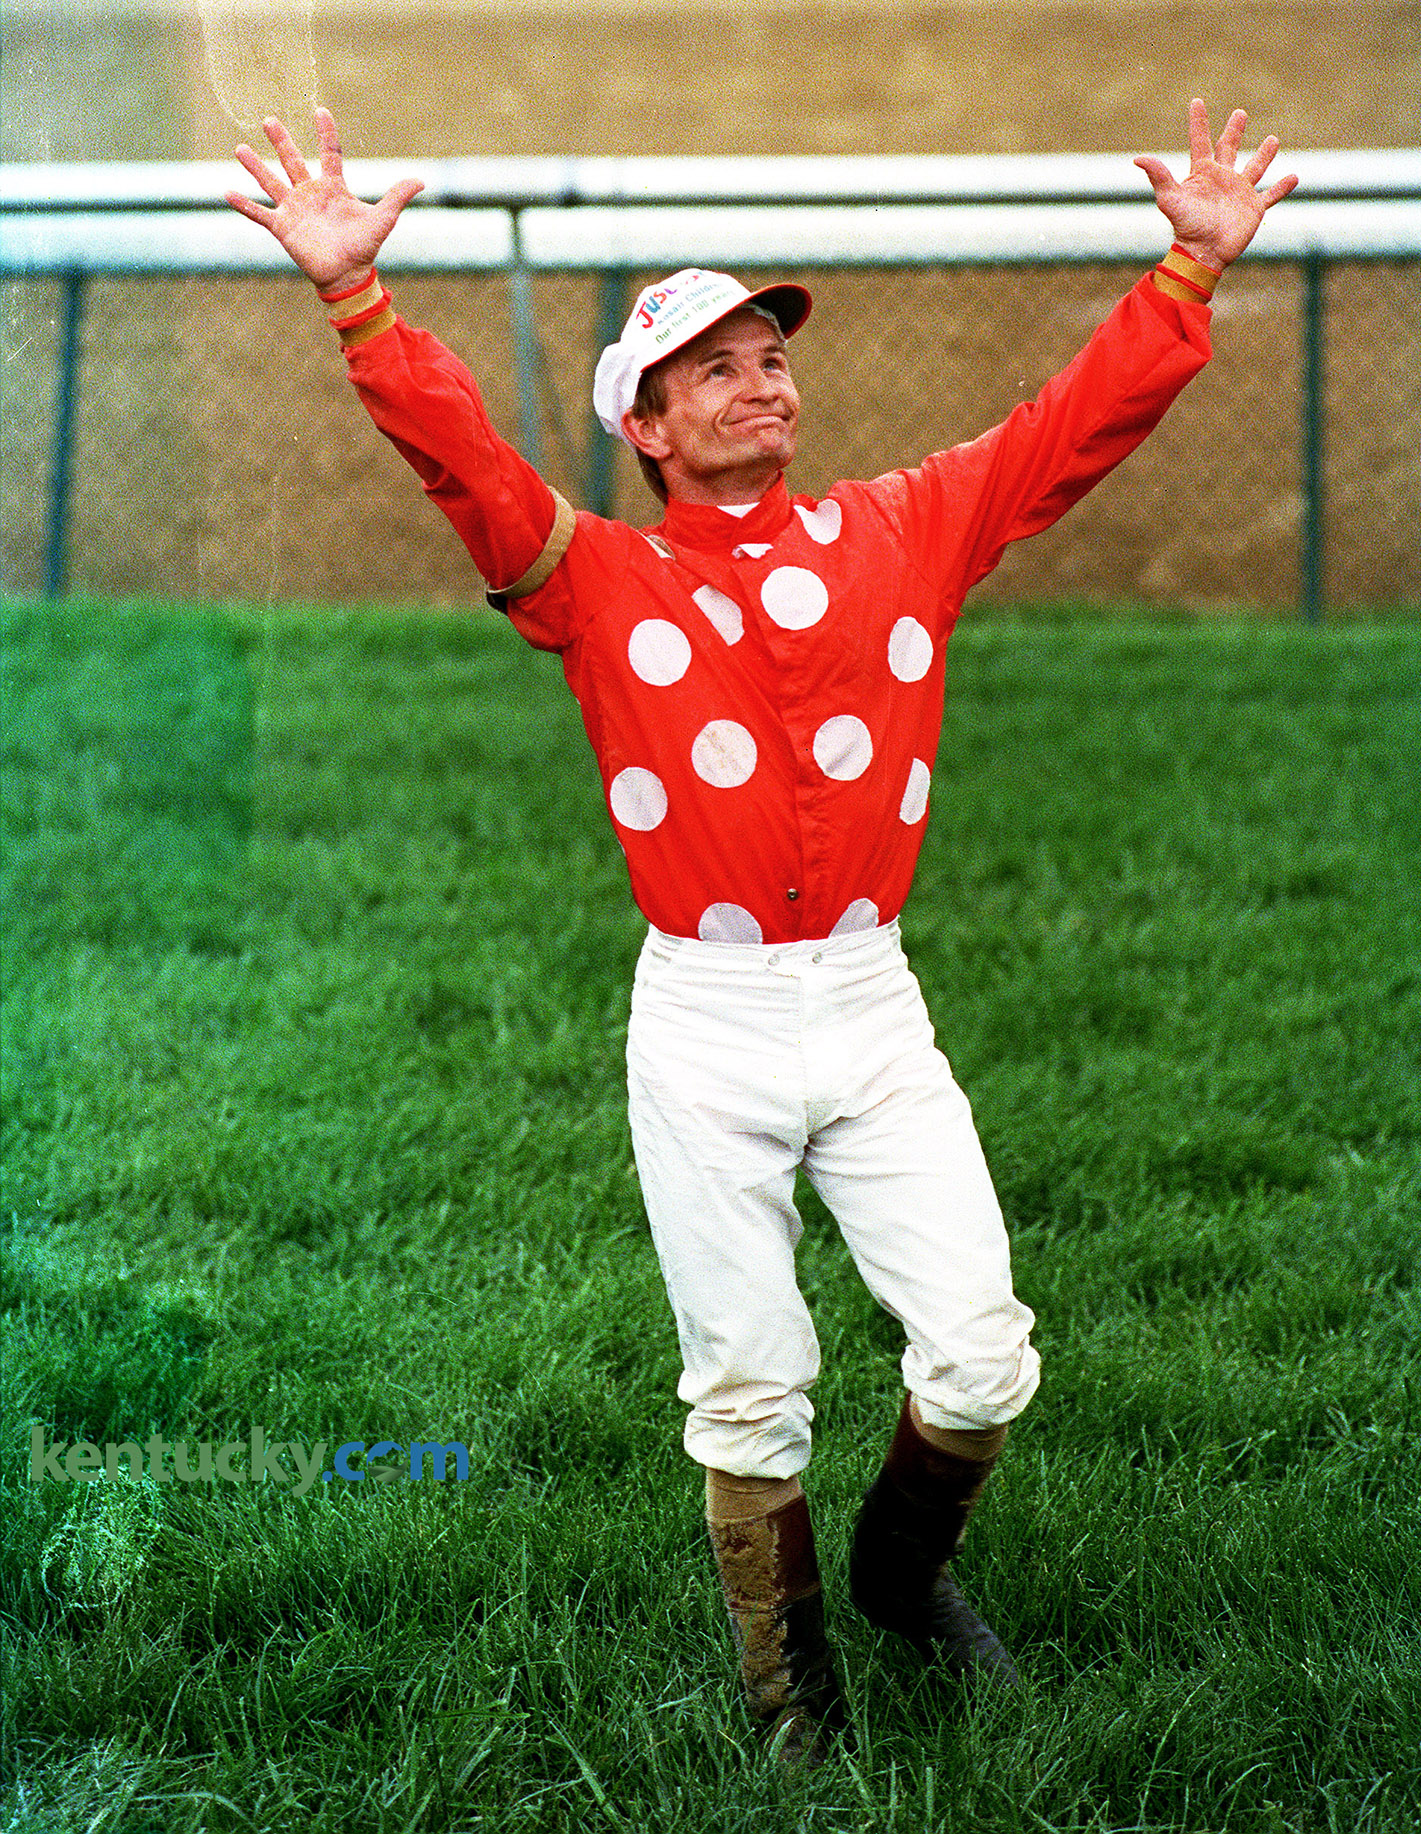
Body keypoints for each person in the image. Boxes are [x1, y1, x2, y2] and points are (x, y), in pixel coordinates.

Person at [226, 98, 1297, 1773]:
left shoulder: (905, 525)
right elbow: (465, 460)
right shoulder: (589, 575)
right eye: (713, 366)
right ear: (646, 426)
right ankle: (790, 1706)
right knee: (750, 1381)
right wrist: (360, 306)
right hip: (708, 1022)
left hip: (873, 1003)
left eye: (771, 356)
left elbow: (1069, 430)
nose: (761, 380)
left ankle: (899, 1576)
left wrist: (1190, 269)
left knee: (985, 1357)